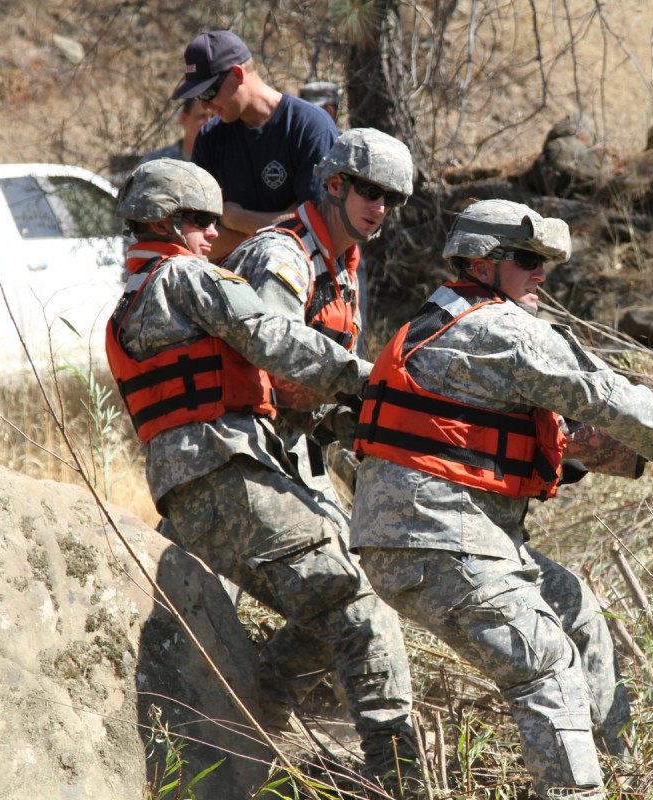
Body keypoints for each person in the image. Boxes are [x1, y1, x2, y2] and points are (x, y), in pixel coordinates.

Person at [348, 198, 653, 800]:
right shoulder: (499, 327)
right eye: (526, 258)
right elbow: (606, 393)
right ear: (480, 263)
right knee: (545, 662)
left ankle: (620, 770)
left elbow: (546, 436)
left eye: (545, 259)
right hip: (436, 539)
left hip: (454, 537)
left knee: (574, 611)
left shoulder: (446, 321)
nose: (541, 272)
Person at [105, 158, 418, 791]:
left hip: (185, 495)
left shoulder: (128, 305)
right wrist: (368, 382)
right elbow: (270, 335)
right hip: (231, 478)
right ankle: (402, 781)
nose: (212, 237)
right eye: (200, 223)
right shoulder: (188, 276)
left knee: (317, 615)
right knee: (359, 605)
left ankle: (254, 739)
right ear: (166, 222)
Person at [225, 127, 411, 485]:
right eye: (371, 191)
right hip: (240, 443)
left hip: (291, 445)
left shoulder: (343, 271)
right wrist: (365, 378)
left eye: (392, 198)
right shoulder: (283, 255)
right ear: (335, 185)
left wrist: (343, 425)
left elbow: (316, 399)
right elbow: (274, 344)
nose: (381, 207)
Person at [171, 30, 338, 260]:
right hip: (231, 286)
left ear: (237, 75)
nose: (206, 105)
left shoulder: (309, 127)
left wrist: (234, 219)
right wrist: (283, 220)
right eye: (198, 96)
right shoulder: (210, 138)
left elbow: (315, 230)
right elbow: (198, 243)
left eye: (209, 92)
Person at [139, 98, 215, 163]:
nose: (209, 123)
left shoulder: (223, 163)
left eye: (214, 117)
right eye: (202, 116)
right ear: (184, 118)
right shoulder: (157, 162)